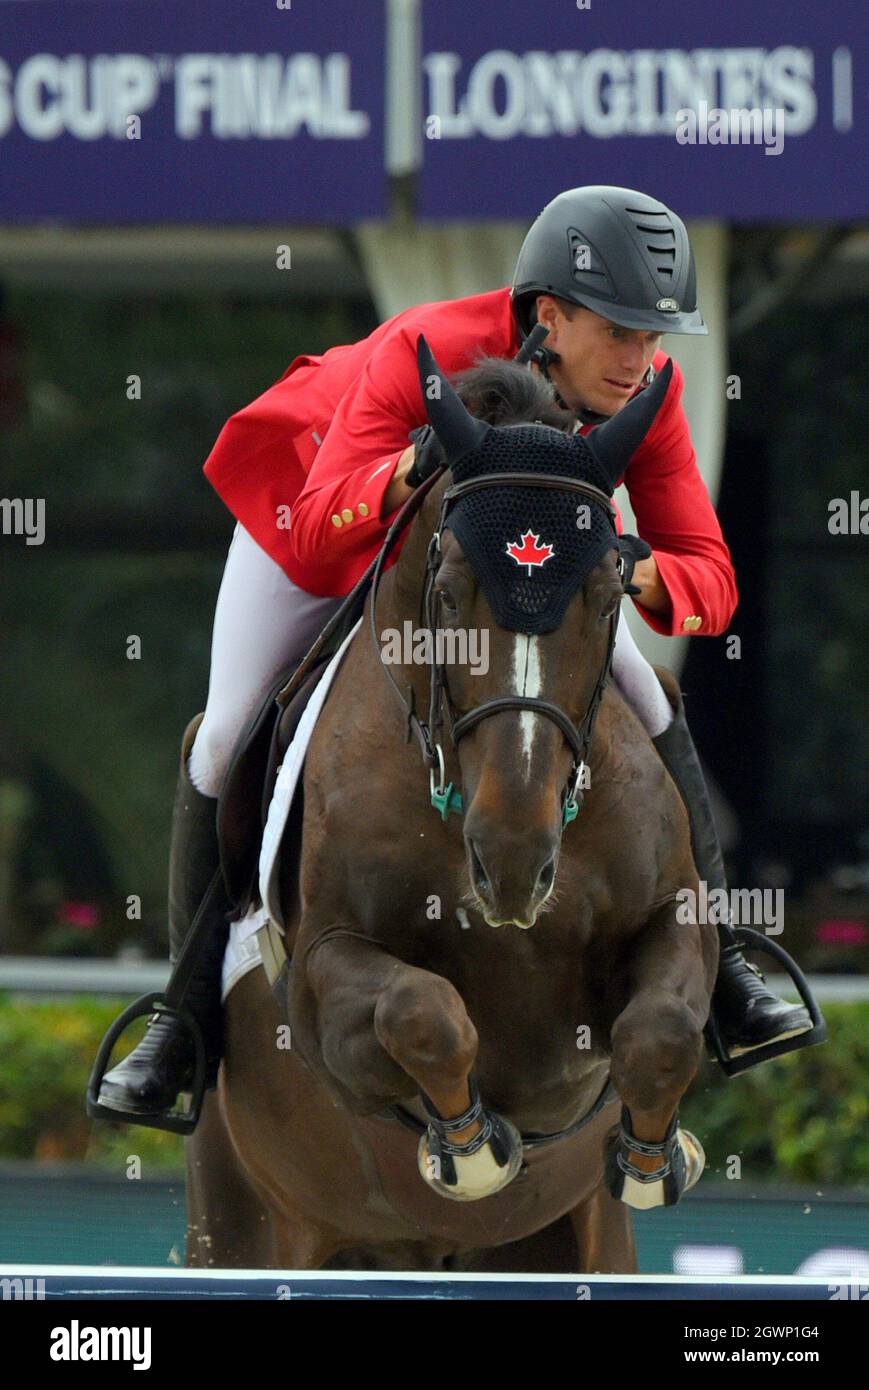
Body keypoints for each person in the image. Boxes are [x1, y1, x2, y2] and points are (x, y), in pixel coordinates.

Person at [96, 186, 813, 1127]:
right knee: (227, 735)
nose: (641, 361)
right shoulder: (420, 348)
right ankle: (184, 1017)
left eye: (655, 337)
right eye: (620, 333)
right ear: (547, 315)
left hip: (499, 574)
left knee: (654, 697)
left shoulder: (649, 398)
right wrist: (408, 466)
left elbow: (709, 579)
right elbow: (315, 533)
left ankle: (724, 976)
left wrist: (629, 572)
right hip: (320, 514)